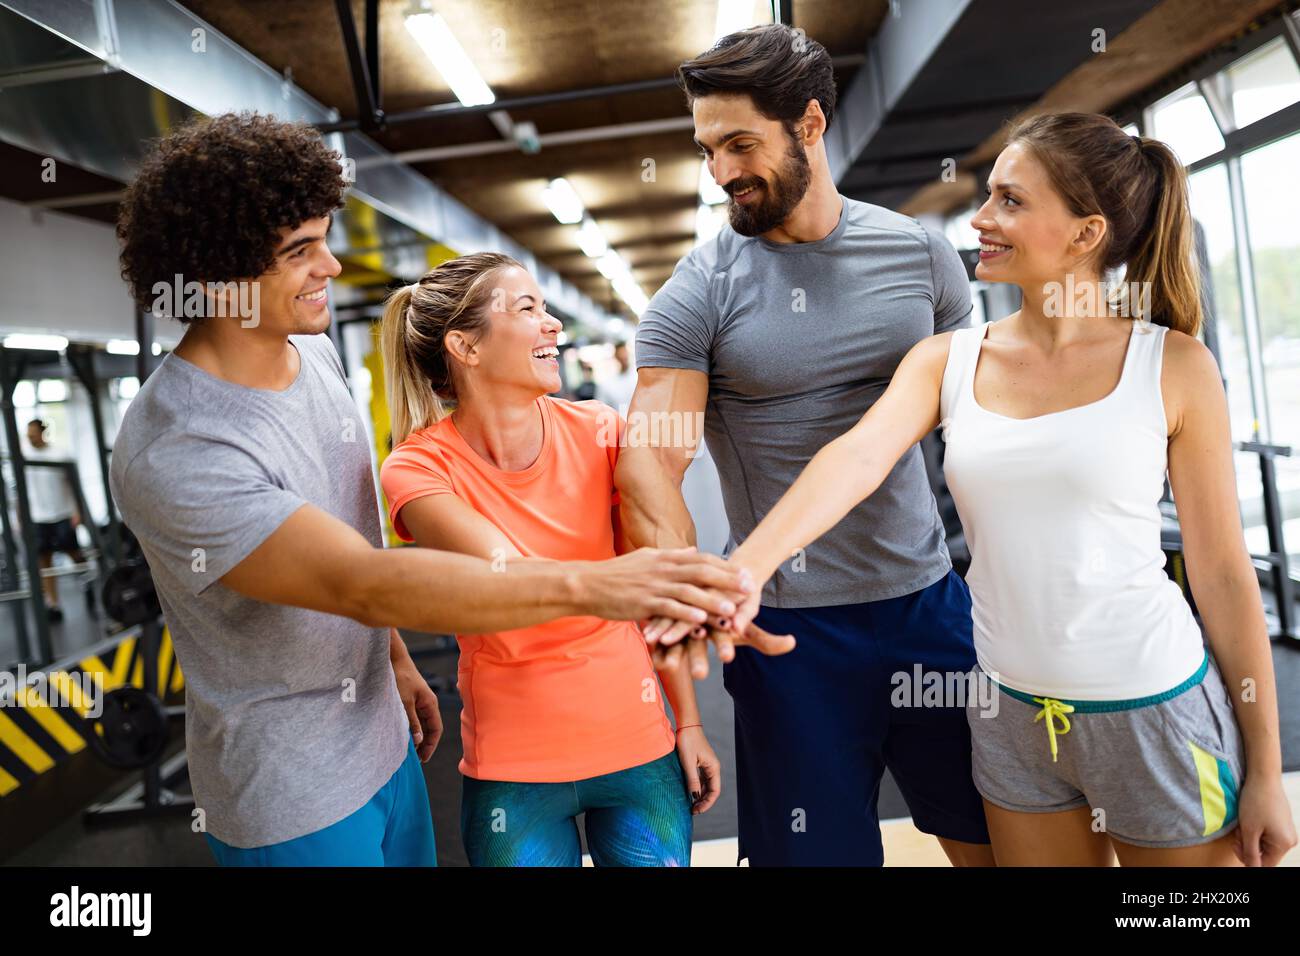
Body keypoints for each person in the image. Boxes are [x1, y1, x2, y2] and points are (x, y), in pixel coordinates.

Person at [109, 112, 750, 867]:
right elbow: (357, 579)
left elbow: (351, 536)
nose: (332, 268)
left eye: (324, 238)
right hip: (292, 791)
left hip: (384, 747)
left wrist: (396, 662)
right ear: (218, 279)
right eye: (299, 252)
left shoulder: (310, 359)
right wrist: (616, 583)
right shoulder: (178, 449)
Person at [719, 112, 1298, 866]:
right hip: (1009, 716)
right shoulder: (947, 360)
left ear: (1087, 233)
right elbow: (854, 460)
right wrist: (745, 569)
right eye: (989, 195)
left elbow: (1222, 574)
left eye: (1012, 202)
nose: (983, 218)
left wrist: (1265, 770)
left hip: (1155, 709)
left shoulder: (1175, 365)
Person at [616, 24, 993, 867]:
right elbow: (652, 460)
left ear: (811, 126)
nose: (721, 173)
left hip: (929, 607)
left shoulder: (921, 256)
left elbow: (979, 425)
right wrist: (696, 587)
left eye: (741, 144)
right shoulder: (699, 292)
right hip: (788, 635)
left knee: (991, 838)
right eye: (707, 149)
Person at [377, 254, 784, 865]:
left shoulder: (601, 430)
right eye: (527, 309)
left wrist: (688, 722)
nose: (553, 325)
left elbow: (662, 568)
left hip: (637, 744)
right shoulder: (417, 467)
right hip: (514, 766)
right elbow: (507, 575)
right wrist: (634, 580)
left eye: (545, 308)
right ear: (466, 346)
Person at [22, 418, 88, 621]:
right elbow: (21, 492)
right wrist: (20, 518)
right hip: (37, 517)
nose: (31, 438)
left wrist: (78, 511)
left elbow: (74, 486)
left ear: (42, 433)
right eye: (28, 435)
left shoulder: (60, 454)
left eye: (33, 434)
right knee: (45, 562)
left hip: (62, 513)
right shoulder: (23, 456)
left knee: (75, 554)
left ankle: (88, 581)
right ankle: (54, 604)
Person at [595, 341, 637, 414]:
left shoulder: (638, 378)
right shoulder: (607, 385)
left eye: (625, 354)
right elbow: (601, 411)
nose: (623, 357)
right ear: (616, 357)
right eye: (621, 355)